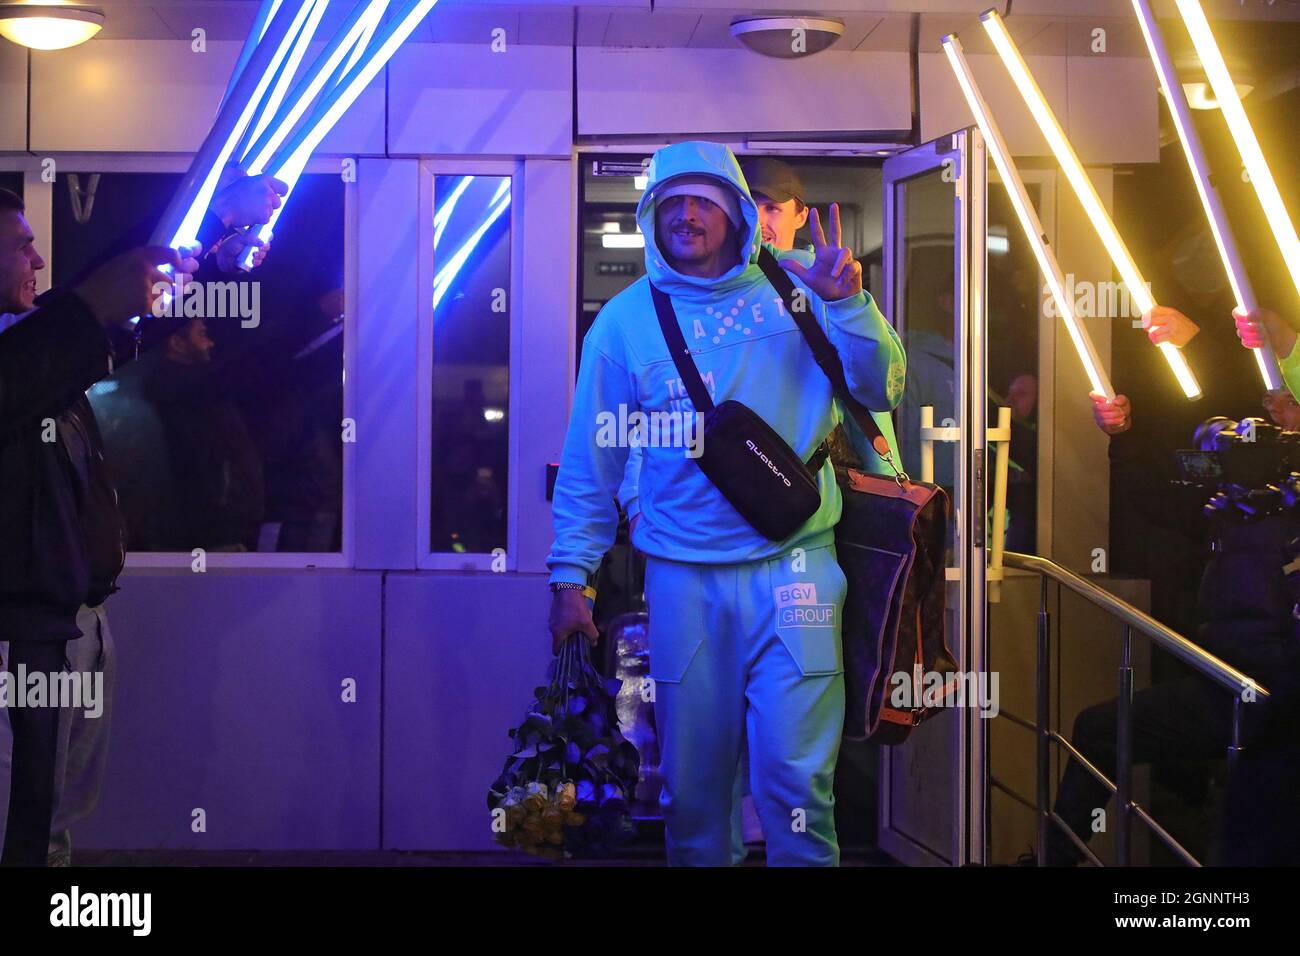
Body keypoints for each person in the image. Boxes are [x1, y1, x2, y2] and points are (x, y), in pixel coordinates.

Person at [547, 141, 905, 866]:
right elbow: (593, 458)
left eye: (702, 200)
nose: (685, 215)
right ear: (651, 216)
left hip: (798, 570)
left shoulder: (801, 288)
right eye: (669, 202)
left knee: (800, 789)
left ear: (736, 211)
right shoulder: (624, 323)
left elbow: (883, 389)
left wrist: (852, 305)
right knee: (694, 793)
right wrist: (570, 577)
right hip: (682, 581)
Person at [0, 175, 280, 866]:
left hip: (75, 620)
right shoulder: (22, 361)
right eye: (21, 247)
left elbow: (115, 328)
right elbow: (79, 322)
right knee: (22, 813)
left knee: (57, 811)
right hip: (23, 634)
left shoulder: (37, 353)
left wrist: (211, 254)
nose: (38, 263)